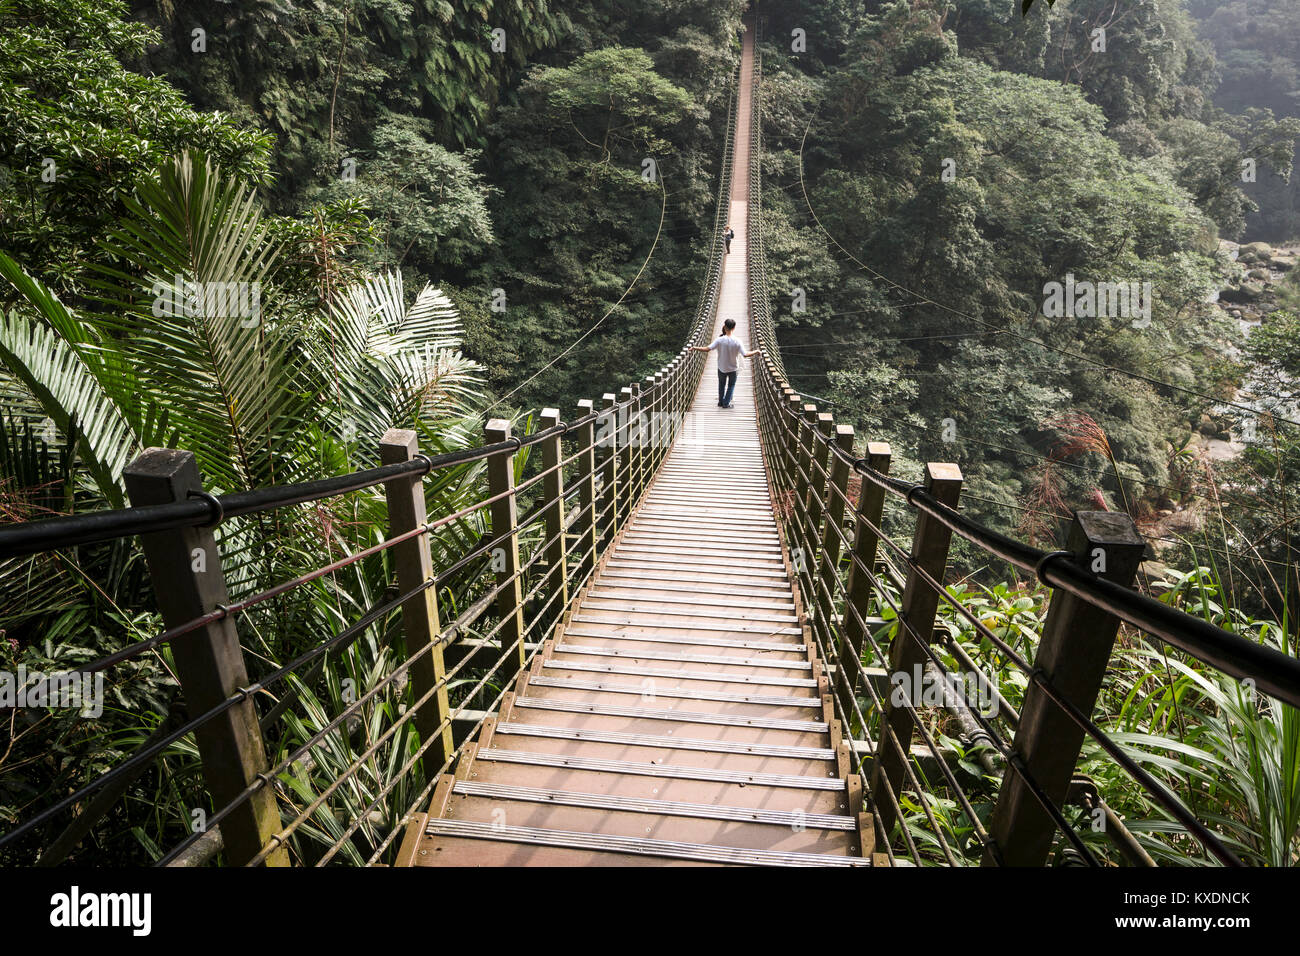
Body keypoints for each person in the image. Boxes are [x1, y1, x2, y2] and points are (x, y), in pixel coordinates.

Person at [692, 318, 760, 408]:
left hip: (721, 367)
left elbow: (707, 349)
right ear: (734, 327)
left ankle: (721, 402)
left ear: (724, 326)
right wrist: (756, 351)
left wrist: (694, 348)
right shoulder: (738, 341)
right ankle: (726, 403)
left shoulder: (719, 340)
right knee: (731, 386)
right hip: (733, 368)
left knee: (721, 385)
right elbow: (745, 354)